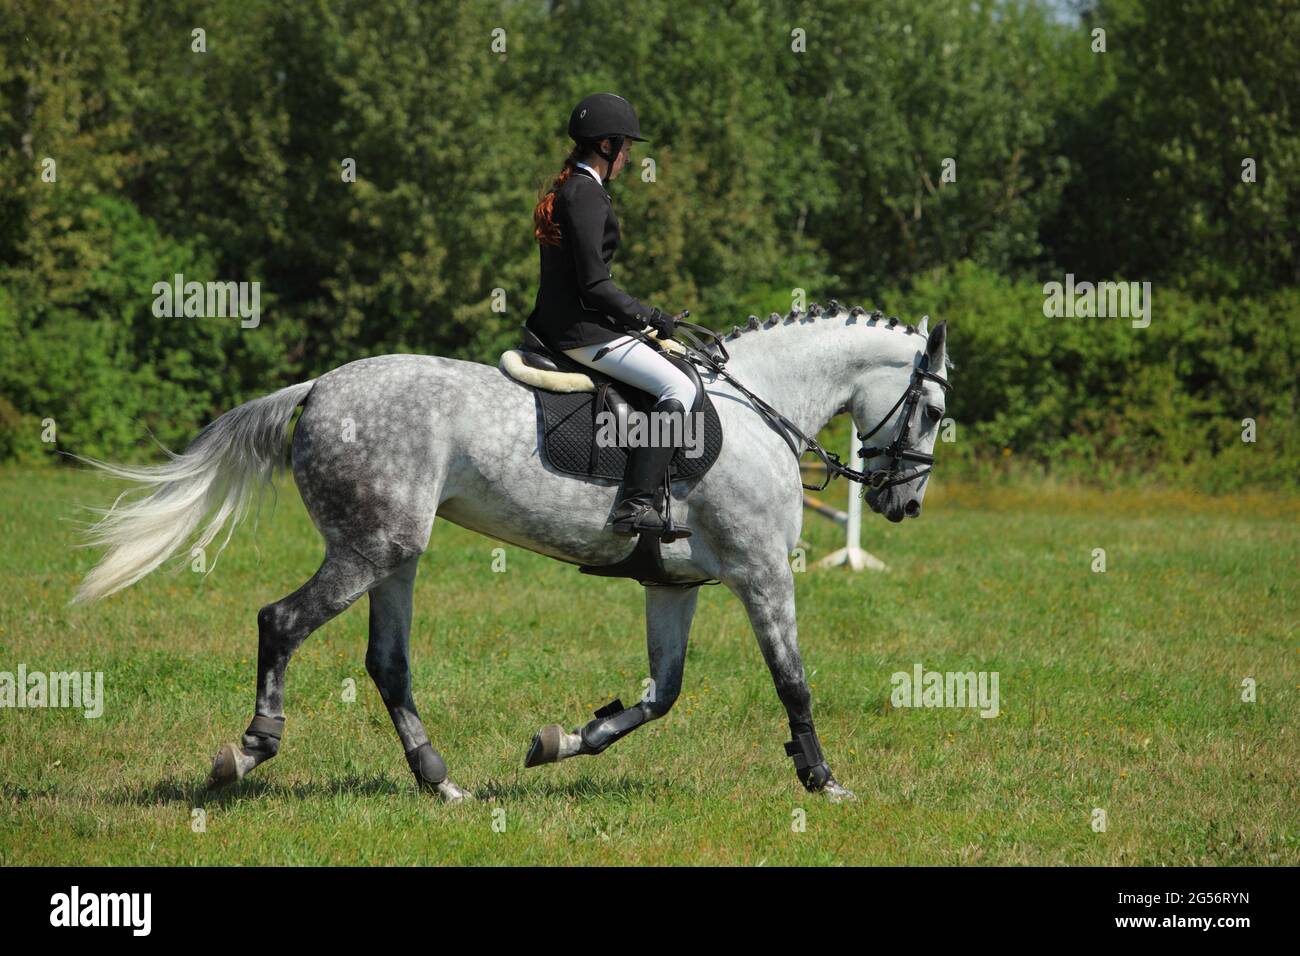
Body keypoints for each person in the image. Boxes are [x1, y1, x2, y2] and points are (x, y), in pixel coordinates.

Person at [525, 92, 697, 541]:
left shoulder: (571, 189)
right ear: (606, 146)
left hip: (568, 323)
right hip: (580, 331)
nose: (628, 158)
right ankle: (634, 505)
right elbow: (595, 286)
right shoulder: (586, 195)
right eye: (626, 148)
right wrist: (651, 316)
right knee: (677, 384)